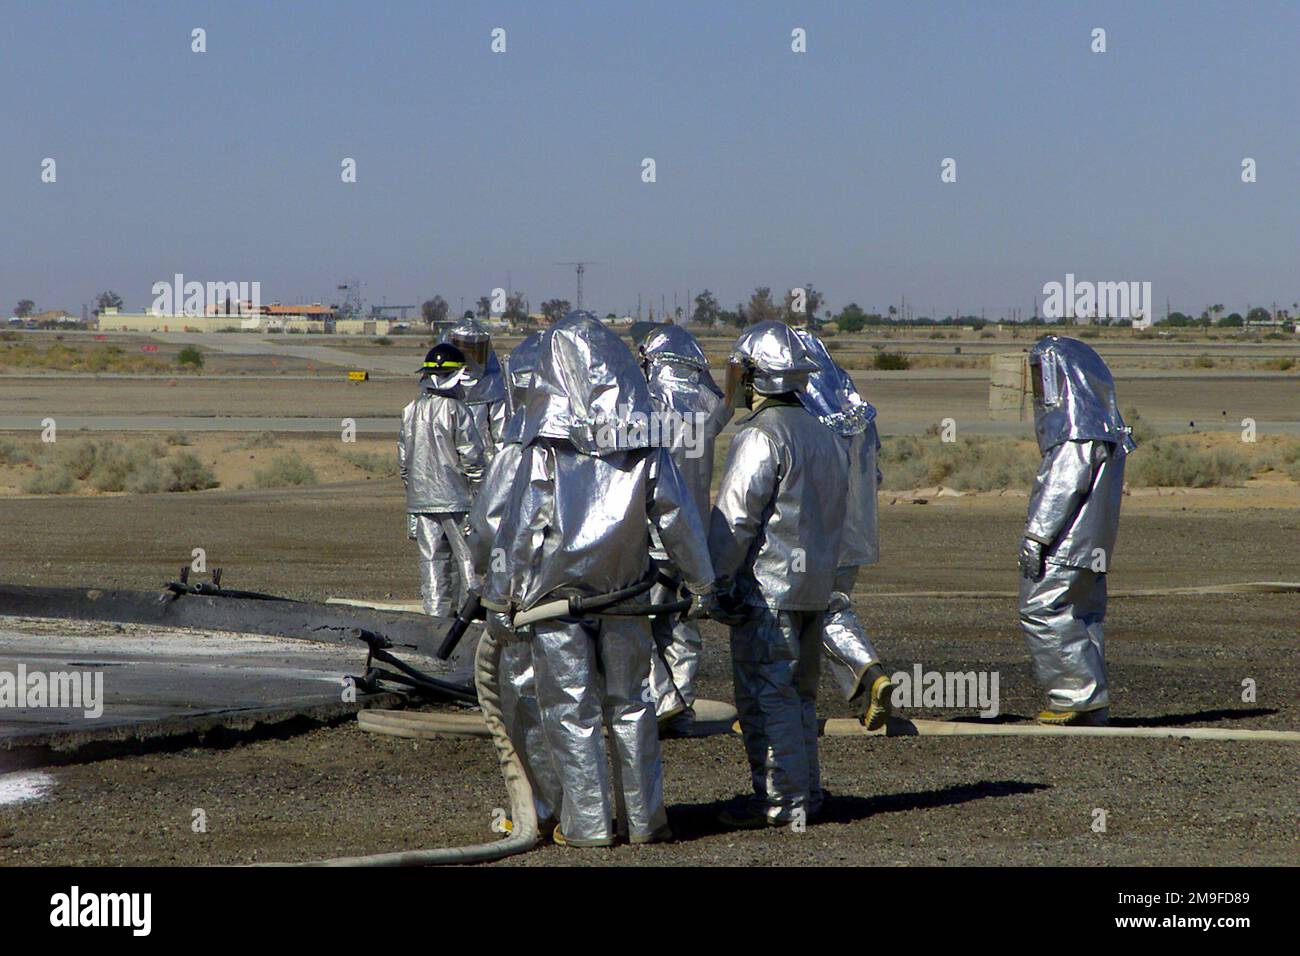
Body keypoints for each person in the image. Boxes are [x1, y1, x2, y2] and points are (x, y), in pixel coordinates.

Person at [480, 313, 722, 847]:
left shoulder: (543, 447)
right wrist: (703, 585)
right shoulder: (648, 443)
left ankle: (587, 827)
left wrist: (498, 598)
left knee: (571, 711)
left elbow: (519, 527)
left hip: (556, 600)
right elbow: (676, 517)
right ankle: (645, 822)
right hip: (627, 596)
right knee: (633, 706)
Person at [709, 321, 849, 828]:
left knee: (769, 701)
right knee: (801, 699)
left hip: (767, 597)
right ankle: (805, 794)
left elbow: (736, 520)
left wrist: (716, 584)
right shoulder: (826, 435)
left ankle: (782, 803)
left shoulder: (761, 436)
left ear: (753, 377)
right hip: (813, 591)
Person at [466, 332, 562, 834]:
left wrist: (493, 590)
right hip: (585, 601)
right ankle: (621, 817)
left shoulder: (521, 451)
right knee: (595, 715)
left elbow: (487, 528)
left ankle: (545, 811)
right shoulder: (608, 448)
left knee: (528, 706)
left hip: (526, 607)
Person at [1018, 335, 1134, 726]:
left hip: (1067, 542)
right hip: (1094, 543)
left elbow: (1063, 488)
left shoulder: (1075, 431)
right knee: (1084, 616)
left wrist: (1036, 537)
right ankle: (1092, 700)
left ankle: (1076, 695)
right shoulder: (1103, 426)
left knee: (1041, 609)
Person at [633, 322, 733, 734]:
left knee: (634, 624)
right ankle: (683, 701)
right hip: (693, 538)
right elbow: (729, 399)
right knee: (682, 623)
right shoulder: (707, 407)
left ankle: (664, 698)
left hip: (652, 534)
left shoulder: (645, 403)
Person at [794, 326, 895, 729]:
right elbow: (876, 471)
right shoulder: (852, 401)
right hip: (854, 534)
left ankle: (867, 673)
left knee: (816, 613)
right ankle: (860, 686)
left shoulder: (804, 407)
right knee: (831, 607)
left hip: (814, 534)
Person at [398, 343, 487, 617]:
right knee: (469, 561)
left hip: (422, 501)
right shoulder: (457, 411)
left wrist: (414, 491)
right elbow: (472, 458)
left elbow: (404, 461)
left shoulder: (410, 410)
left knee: (432, 563)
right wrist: (483, 494)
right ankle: (470, 622)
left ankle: (435, 623)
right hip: (459, 501)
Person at [442, 317, 507, 456]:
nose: (469, 357)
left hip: (483, 460)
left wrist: (499, 467)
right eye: (464, 350)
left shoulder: (492, 382)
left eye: (475, 350)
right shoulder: (440, 383)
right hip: (449, 461)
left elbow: (501, 434)